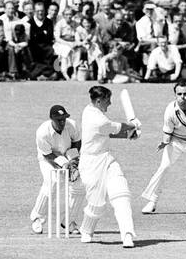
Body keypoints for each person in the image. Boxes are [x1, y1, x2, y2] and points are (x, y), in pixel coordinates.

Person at [76, 85, 141, 247]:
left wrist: (129, 134)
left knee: (121, 194)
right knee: (97, 205)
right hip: (91, 164)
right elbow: (113, 127)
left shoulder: (91, 110)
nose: (110, 103)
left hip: (107, 158)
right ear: (98, 101)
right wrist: (133, 125)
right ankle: (86, 229)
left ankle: (127, 234)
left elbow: (108, 132)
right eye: (107, 100)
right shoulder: (96, 118)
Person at [141, 80, 186, 215]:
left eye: (185, 94)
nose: (183, 97)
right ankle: (152, 201)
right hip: (175, 141)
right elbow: (167, 132)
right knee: (164, 167)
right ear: (175, 95)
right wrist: (164, 142)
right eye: (179, 94)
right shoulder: (170, 110)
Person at [30, 104, 81, 234]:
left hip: (69, 156)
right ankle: (37, 218)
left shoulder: (72, 125)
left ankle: (69, 220)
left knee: (80, 186)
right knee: (54, 182)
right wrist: (64, 165)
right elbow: (48, 155)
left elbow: (77, 143)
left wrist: (73, 164)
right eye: (59, 120)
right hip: (48, 158)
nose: (62, 122)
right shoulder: (42, 132)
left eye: (64, 119)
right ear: (51, 119)